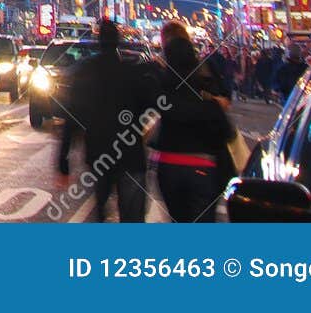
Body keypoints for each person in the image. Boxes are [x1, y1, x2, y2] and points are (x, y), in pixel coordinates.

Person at [55, 19, 158, 222]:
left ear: (98, 41)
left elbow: (71, 117)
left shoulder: (85, 74)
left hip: (99, 152)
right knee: (132, 217)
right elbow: (151, 103)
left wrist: (63, 161)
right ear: (118, 42)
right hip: (130, 152)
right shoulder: (131, 73)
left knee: (101, 209)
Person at [152, 29, 236, 222]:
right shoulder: (208, 98)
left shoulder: (162, 89)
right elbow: (227, 133)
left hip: (168, 166)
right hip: (202, 166)